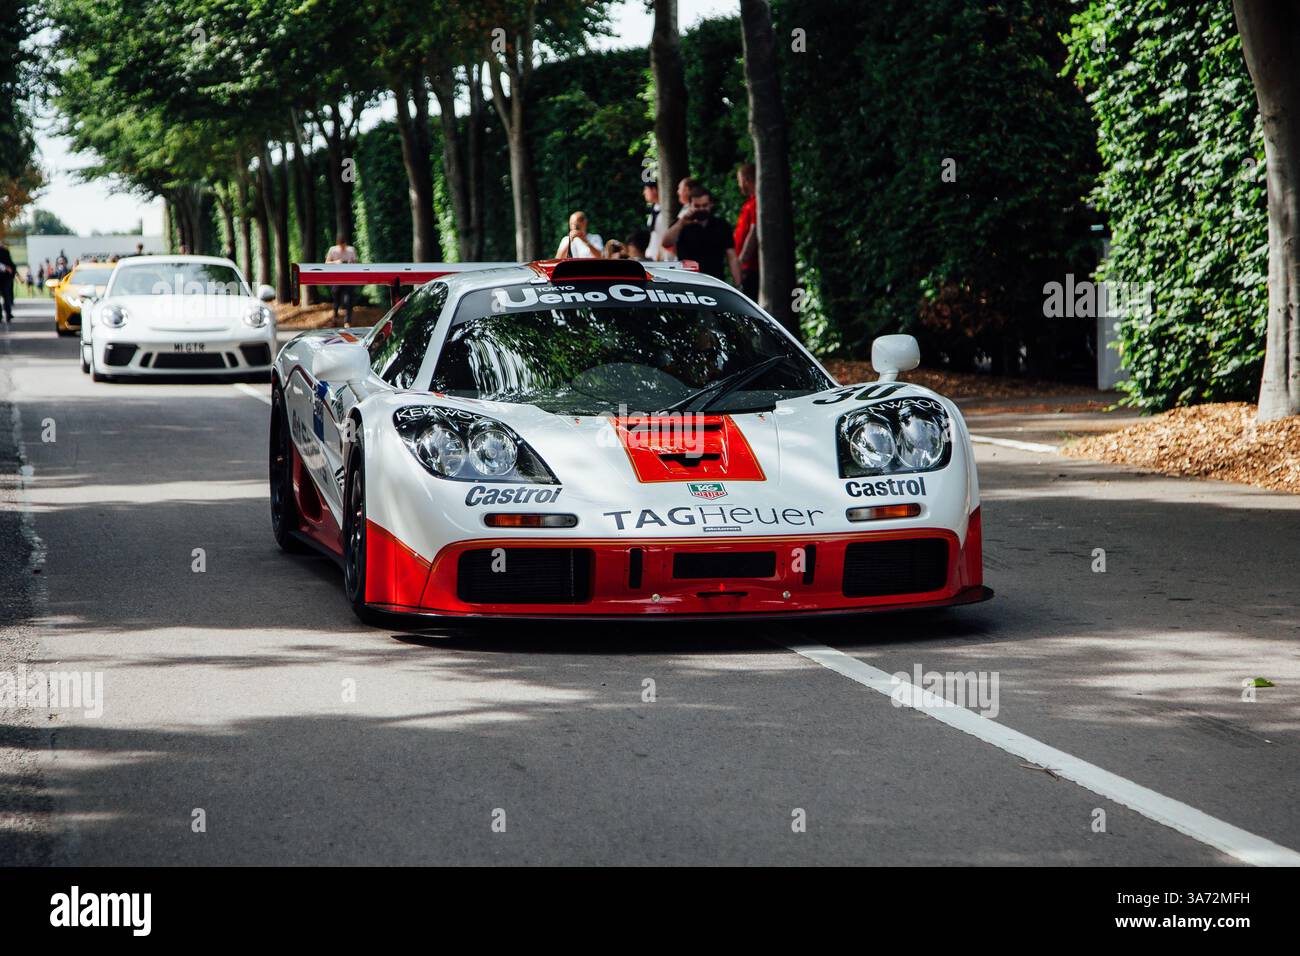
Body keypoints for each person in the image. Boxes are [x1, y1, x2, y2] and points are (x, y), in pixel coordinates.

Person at [661, 186, 740, 285]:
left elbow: (732, 257)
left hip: (714, 280)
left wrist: (738, 285)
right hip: (687, 280)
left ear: (711, 204)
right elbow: (666, 242)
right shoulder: (682, 224)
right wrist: (681, 223)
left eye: (705, 205)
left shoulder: (721, 225)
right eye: (697, 206)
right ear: (690, 205)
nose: (701, 209)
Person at [735, 163, 759, 298]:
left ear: (746, 180)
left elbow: (753, 233)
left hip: (751, 268)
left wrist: (741, 261)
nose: (739, 185)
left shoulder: (755, 203)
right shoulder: (750, 203)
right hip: (747, 267)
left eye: (739, 181)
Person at [325, 233, 359, 327]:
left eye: (343, 246)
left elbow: (356, 263)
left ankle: (347, 321)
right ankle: (335, 319)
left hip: (349, 278)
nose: (342, 248)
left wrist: (350, 263)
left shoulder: (351, 250)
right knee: (336, 300)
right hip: (336, 278)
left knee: (348, 300)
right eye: (341, 246)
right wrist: (336, 262)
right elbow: (326, 263)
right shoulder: (333, 250)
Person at [643, 181, 671, 261]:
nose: (644, 193)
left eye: (646, 189)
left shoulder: (666, 211)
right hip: (651, 254)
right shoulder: (654, 210)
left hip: (663, 258)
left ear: (654, 190)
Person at [0, 241, 15, 324]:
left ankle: (8, 314)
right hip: (4, 277)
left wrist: (10, 270)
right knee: (6, 297)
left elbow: (10, 265)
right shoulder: (5, 251)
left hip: (5, 278)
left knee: (6, 297)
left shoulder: (5, 252)